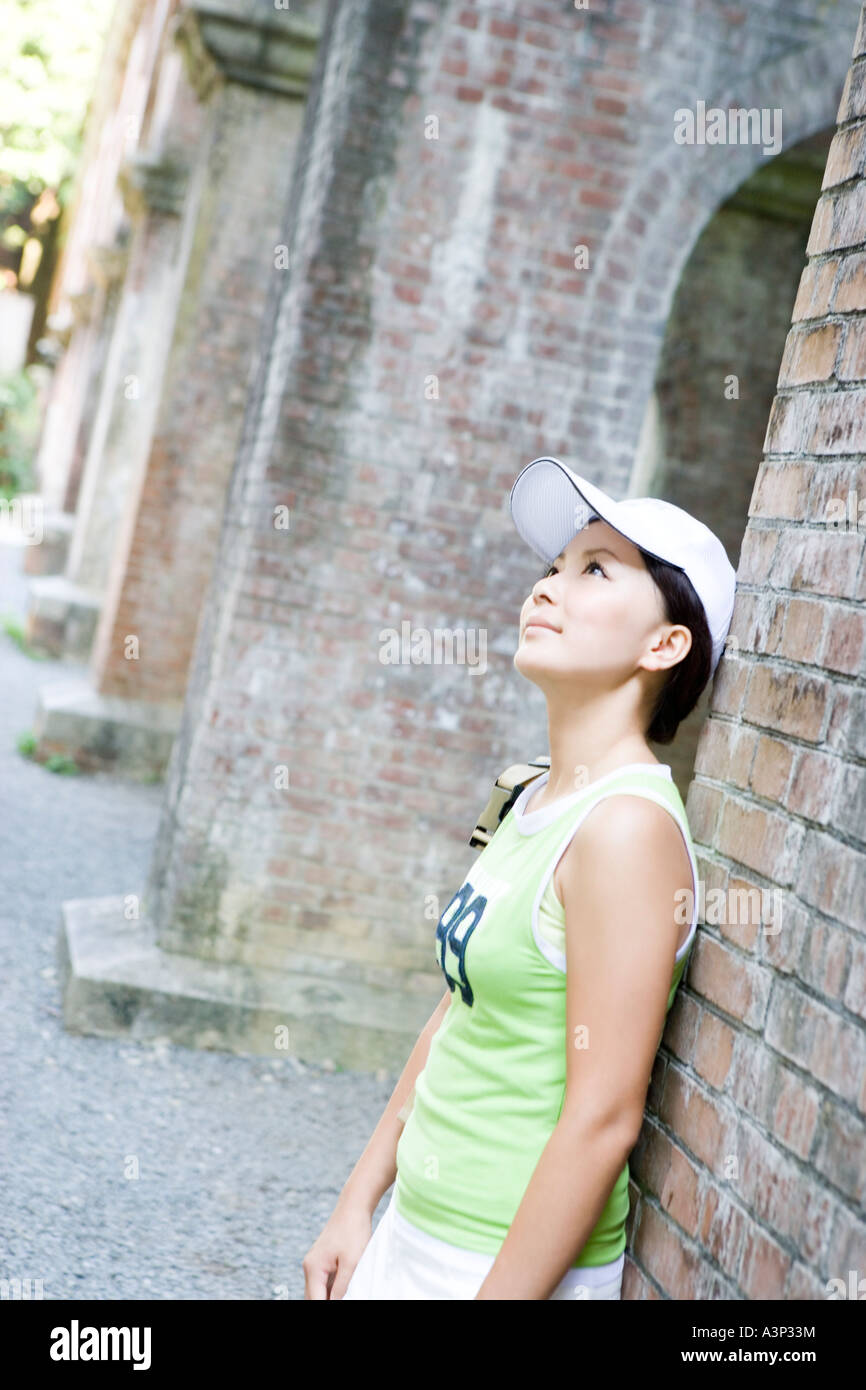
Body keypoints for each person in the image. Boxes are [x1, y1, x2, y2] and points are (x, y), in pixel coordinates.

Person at [303, 455, 737, 1301]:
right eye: (552, 568)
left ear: (665, 643)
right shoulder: (534, 794)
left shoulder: (626, 831)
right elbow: (457, 1015)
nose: (547, 588)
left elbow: (603, 1119)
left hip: (503, 1269)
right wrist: (358, 1204)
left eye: (595, 570)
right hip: (417, 1237)